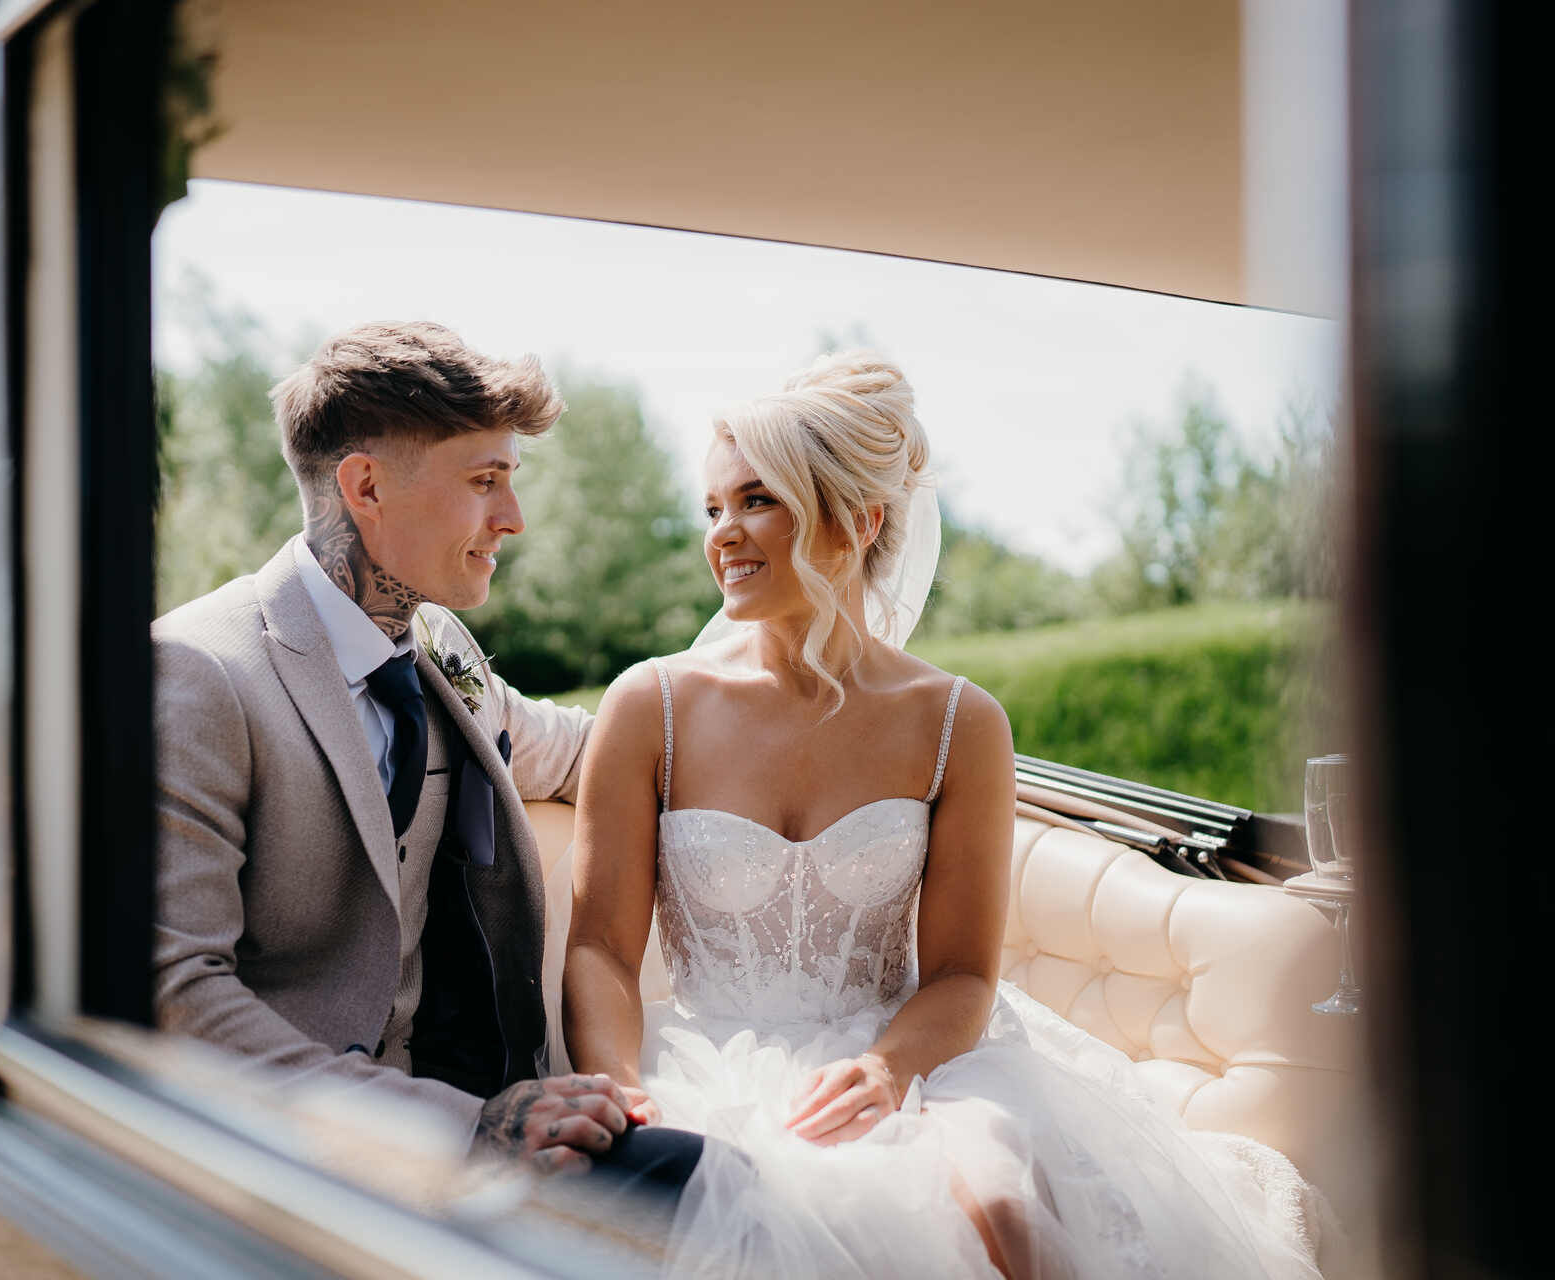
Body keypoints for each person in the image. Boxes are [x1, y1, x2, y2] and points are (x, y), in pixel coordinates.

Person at [562, 351, 1328, 1277]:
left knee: (1003, 1216)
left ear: (859, 520)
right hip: (704, 1058)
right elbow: (601, 946)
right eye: (713, 507)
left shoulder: (960, 722)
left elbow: (962, 974)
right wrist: (624, 1091)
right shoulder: (652, 706)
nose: (722, 533)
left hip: (914, 1057)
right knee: (756, 1211)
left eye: (757, 501)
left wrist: (886, 1073)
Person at [152, 322, 703, 1191]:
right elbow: (175, 994)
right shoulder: (198, 673)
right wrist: (470, 1126)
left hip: (474, 1117)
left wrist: (798, 742)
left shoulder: (437, 645)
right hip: (282, 1164)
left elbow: (573, 753)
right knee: (686, 1188)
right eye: (486, 481)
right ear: (364, 486)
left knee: (715, 1176)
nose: (512, 520)